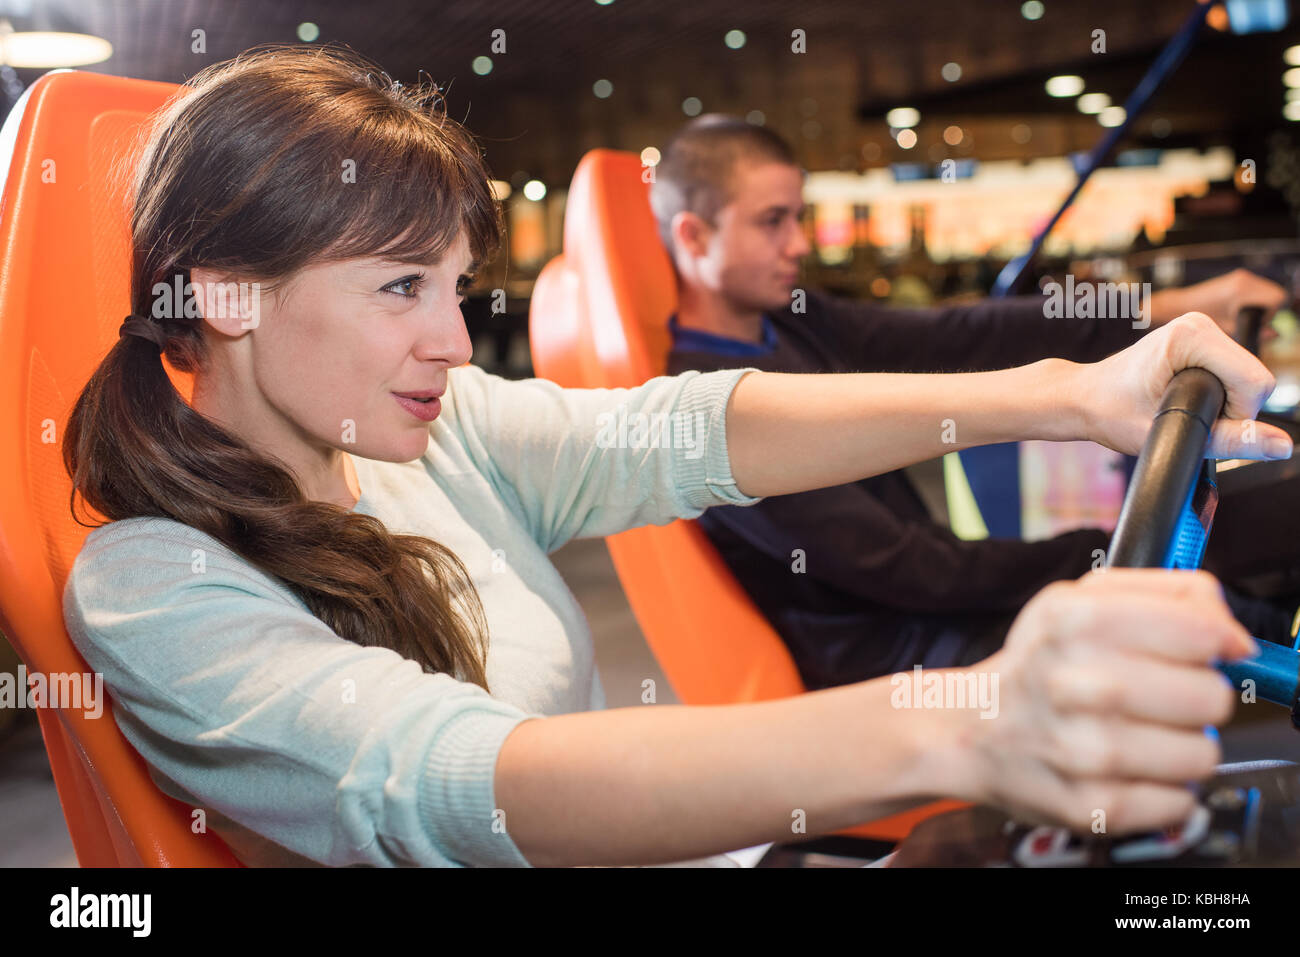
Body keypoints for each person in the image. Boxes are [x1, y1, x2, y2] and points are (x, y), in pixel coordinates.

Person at [61, 42, 1291, 869]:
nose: (450, 339)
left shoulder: (415, 437)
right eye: (399, 289)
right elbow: (459, 781)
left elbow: (679, 427)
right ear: (223, 294)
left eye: (453, 288)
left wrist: (1074, 392)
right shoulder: (157, 591)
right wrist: (974, 719)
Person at [654, 114, 1299, 690]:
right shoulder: (712, 408)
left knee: (1240, 540)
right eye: (772, 222)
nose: (798, 243)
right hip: (889, 652)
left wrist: (1159, 312)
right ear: (694, 236)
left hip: (932, 604)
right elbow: (908, 570)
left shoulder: (790, 321)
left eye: (797, 216)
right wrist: (1085, 557)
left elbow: (970, 334)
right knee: (1159, 590)